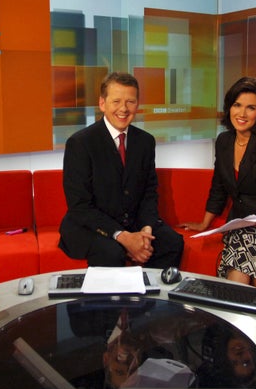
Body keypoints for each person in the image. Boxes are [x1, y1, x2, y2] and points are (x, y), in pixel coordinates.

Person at [180, 76, 256, 291]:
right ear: (229, 107)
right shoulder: (224, 141)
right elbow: (219, 186)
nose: (242, 114)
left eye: (251, 107)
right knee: (245, 241)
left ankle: (232, 312)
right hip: (243, 224)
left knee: (242, 241)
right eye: (237, 105)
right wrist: (204, 223)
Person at [59, 72, 184, 268]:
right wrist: (123, 237)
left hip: (134, 222)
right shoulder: (80, 143)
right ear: (102, 103)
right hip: (91, 226)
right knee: (112, 252)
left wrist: (146, 231)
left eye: (130, 102)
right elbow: (80, 206)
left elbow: (149, 193)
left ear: (137, 104)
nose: (123, 109)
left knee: (172, 243)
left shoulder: (145, 141)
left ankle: (150, 296)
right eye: (116, 101)